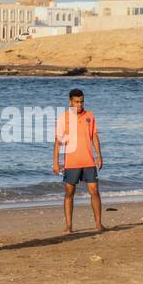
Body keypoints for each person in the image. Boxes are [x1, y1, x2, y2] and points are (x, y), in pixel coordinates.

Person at [52, 88, 104, 233]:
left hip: (89, 161)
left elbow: (94, 136)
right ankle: (69, 226)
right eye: (76, 102)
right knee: (69, 193)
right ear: (70, 102)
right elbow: (57, 142)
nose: (79, 105)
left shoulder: (90, 116)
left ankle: (98, 224)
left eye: (81, 101)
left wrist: (99, 155)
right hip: (72, 162)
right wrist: (55, 162)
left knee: (94, 191)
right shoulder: (63, 118)